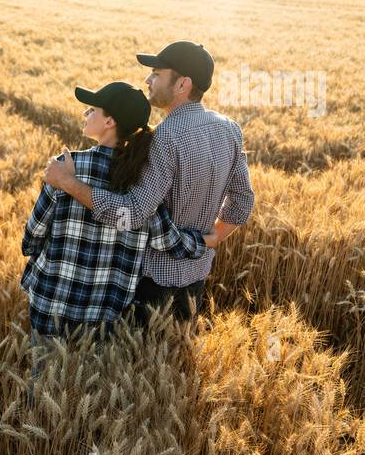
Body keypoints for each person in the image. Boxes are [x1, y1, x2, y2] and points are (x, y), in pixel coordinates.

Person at [43, 41, 255, 326]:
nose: (147, 80)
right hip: (197, 275)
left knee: (137, 362)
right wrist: (214, 238)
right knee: (175, 362)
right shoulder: (229, 128)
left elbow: (131, 214)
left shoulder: (164, 138)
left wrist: (68, 182)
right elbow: (243, 200)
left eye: (156, 73)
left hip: (150, 283)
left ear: (183, 84)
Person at [21, 81, 209, 373]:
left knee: (42, 385)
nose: (86, 112)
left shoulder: (65, 169)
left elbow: (32, 236)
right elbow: (169, 243)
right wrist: (208, 240)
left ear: (109, 121)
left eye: (92, 109)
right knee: (86, 393)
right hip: (102, 315)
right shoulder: (142, 187)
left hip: (51, 304)